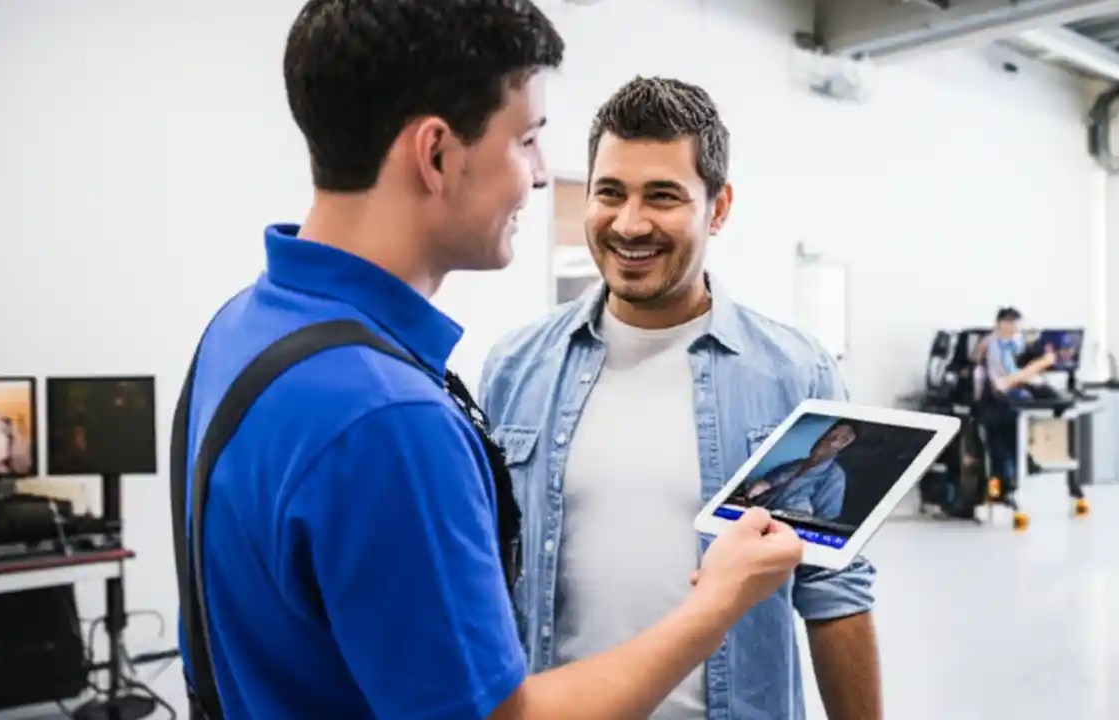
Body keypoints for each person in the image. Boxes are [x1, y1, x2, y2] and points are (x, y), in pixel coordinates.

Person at [174, 4, 805, 720]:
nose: (539, 177)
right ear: (437, 153)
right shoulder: (389, 419)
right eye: (528, 140)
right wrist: (720, 598)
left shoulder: (240, 330)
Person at [480, 76, 881, 720]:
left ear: (717, 209)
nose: (630, 223)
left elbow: (834, 587)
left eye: (662, 196)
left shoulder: (795, 373)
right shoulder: (517, 367)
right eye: (610, 193)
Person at [978, 307, 1055, 503]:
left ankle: (1015, 479)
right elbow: (1005, 382)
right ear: (1000, 324)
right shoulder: (994, 346)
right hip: (996, 403)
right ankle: (1005, 489)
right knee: (1003, 452)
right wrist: (1041, 364)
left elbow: (1020, 355)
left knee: (1014, 445)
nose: (1015, 330)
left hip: (1010, 398)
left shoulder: (1010, 342)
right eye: (1011, 324)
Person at [735, 420, 860, 518]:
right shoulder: (795, 463)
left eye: (844, 439)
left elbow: (826, 519)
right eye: (834, 432)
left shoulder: (835, 476)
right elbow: (762, 485)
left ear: (845, 448)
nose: (833, 439)